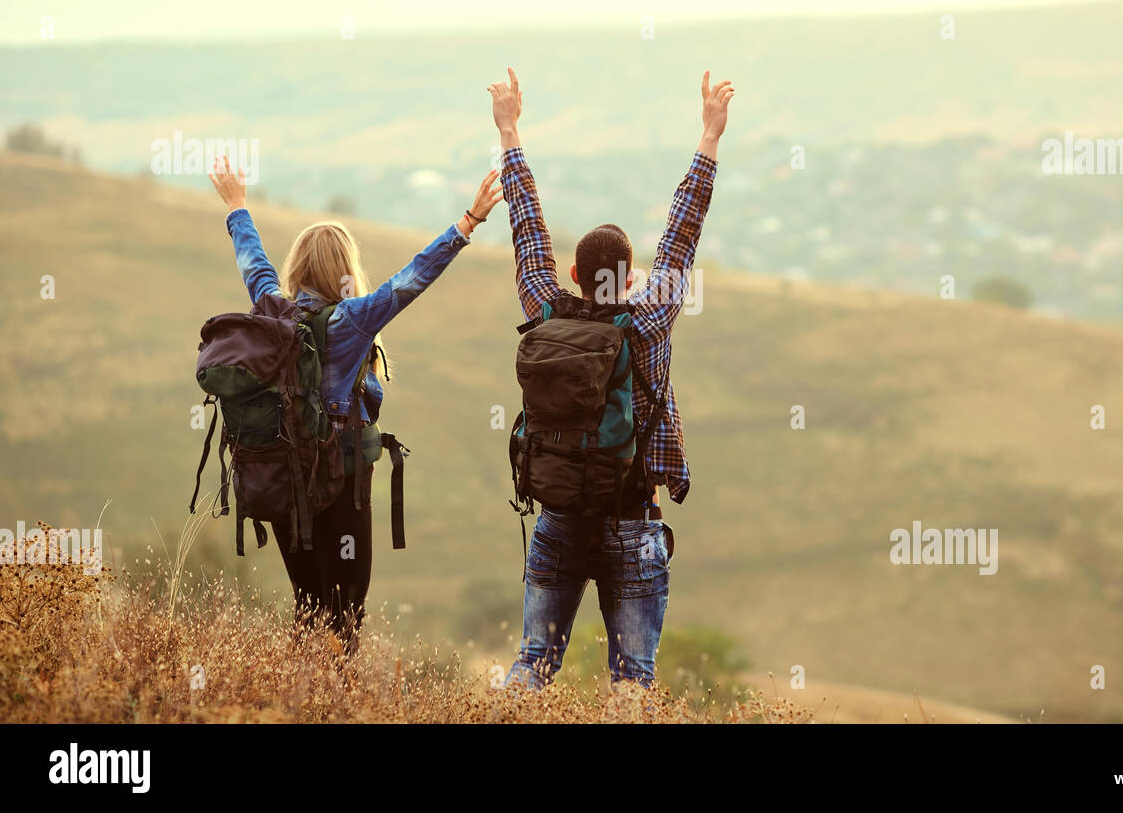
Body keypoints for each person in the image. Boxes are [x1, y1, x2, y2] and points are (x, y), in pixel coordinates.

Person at [489, 67, 734, 687]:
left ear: (574, 274)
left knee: (532, 664)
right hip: (633, 520)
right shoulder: (649, 320)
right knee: (632, 681)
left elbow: (527, 232)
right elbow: (682, 233)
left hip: (561, 516)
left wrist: (510, 130)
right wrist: (709, 137)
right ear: (629, 277)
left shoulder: (544, 309)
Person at [207, 154, 504, 652]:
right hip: (339, 485)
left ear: (299, 268)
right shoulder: (352, 321)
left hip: (283, 481)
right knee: (344, 613)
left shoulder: (274, 313)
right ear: (344, 271)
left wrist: (237, 205)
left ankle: (297, 702)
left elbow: (254, 265)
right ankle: (332, 705)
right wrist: (468, 222)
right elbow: (411, 279)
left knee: (307, 604)